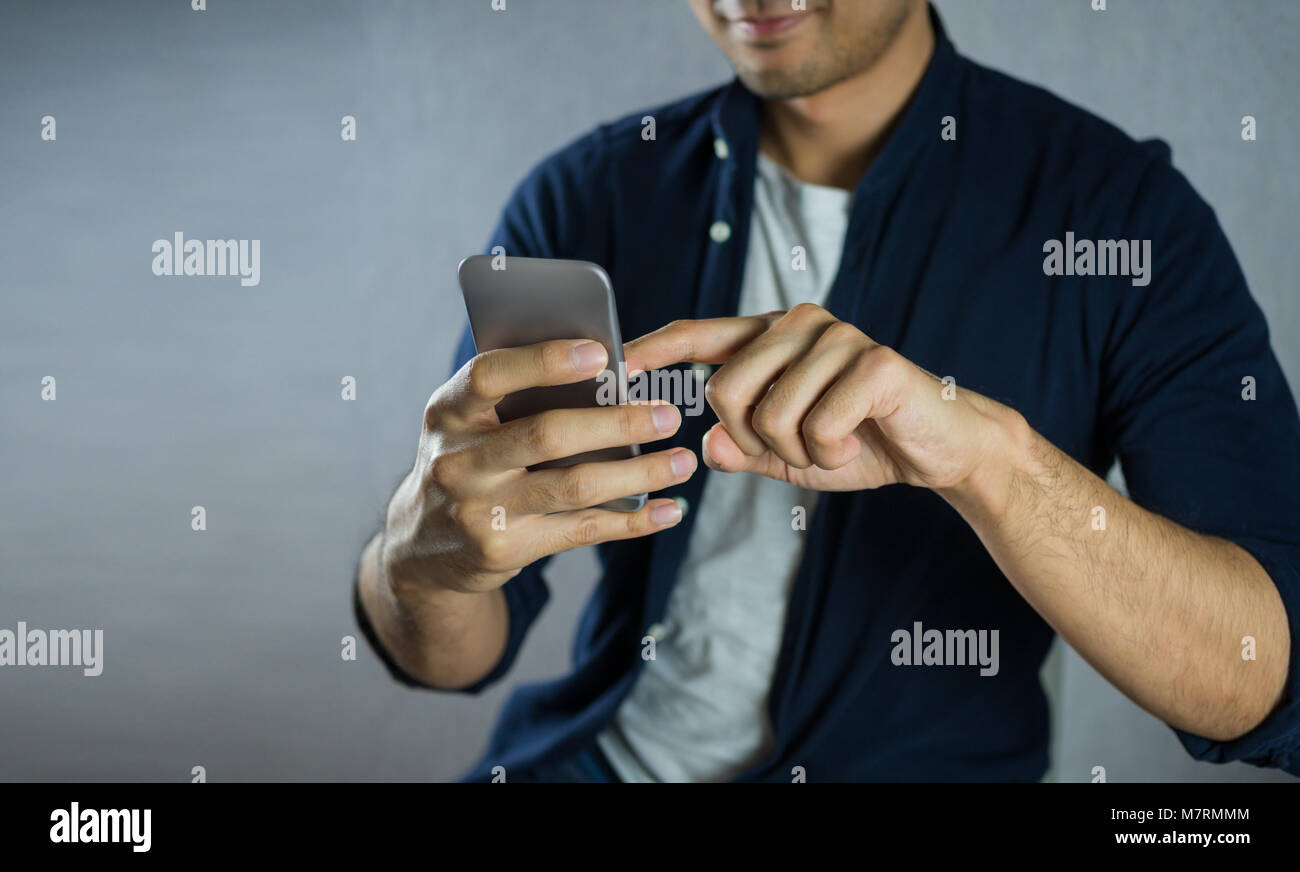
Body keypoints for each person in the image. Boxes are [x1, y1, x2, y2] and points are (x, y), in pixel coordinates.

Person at [354, 0, 1300, 782]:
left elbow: (1265, 677)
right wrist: (418, 565)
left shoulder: (1120, 214)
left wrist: (993, 467)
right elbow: (453, 653)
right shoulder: (587, 195)